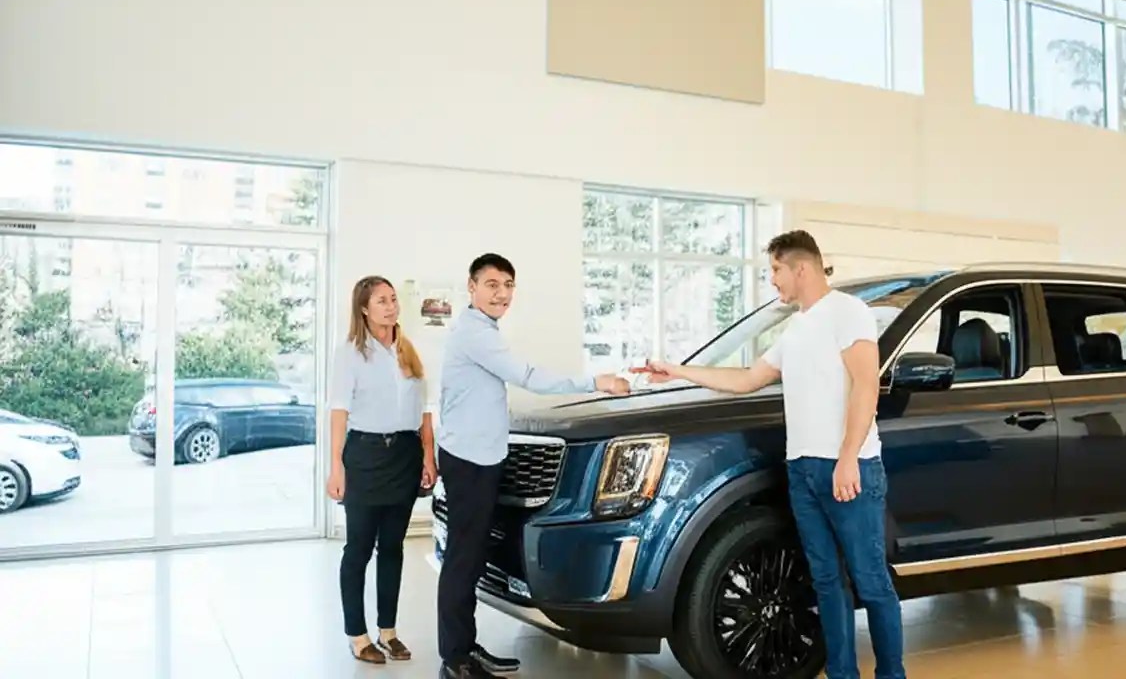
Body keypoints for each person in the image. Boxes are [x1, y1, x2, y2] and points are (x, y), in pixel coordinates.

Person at [642, 230, 906, 679]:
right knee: (825, 581)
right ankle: (843, 673)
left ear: (800, 268)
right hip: (802, 470)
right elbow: (747, 379)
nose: (773, 282)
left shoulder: (848, 312)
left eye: (775, 272)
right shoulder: (797, 327)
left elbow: (866, 385)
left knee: (871, 581)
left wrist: (847, 457)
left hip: (849, 468)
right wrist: (676, 371)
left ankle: (891, 674)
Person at [436, 253, 631, 679]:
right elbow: (528, 375)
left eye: (508, 285)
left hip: (478, 456)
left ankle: (465, 647)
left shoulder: (482, 330)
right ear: (471, 287)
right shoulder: (475, 333)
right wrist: (594, 382)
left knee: (470, 560)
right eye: (491, 284)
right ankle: (455, 659)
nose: (501, 293)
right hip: (469, 460)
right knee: (462, 560)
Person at [327, 275, 438, 665]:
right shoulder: (351, 353)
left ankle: (388, 632)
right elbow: (339, 412)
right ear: (364, 309)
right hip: (365, 456)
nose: (390, 307)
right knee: (358, 548)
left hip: (405, 456)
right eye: (381, 301)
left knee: (392, 547)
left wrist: (428, 456)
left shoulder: (407, 350)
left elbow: (424, 410)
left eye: (393, 299)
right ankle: (357, 635)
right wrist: (336, 467)